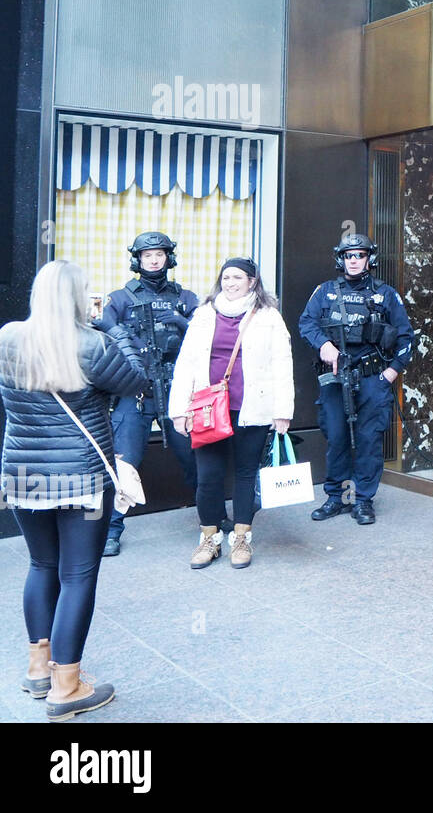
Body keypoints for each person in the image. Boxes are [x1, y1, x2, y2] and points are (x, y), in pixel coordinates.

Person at [0, 260, 147, 720]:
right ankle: (67, 688)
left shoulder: (8, 337)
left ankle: (39, 669)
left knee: (41, 563)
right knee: (78, 576)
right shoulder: (93, 342)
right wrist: (117, 328)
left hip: (23, 472)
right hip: (81, 478)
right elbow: (138, 380)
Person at [169, 258, 293, 569]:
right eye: (226, 277)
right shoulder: (204, 314)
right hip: (208, 408)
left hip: (253, 407)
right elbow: (185, 363)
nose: (230, 283)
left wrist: (282, 410)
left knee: (245, 473)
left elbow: (282, 363)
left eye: (237, 277)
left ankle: (241, 538)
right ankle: (209, 539)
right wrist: (178, 410)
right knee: (208, 476)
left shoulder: (269, 316)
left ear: (252, 281)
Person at [98, 231, 204, 557]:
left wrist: (183, 323)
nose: (154, 260)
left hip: (175, 389)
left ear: (168, 258)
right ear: (138, 260)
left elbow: (207, 336)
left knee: (195, 457)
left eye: (159, 255)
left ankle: (212, 520)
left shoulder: (185, 297)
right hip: (136, 389)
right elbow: (100, 329)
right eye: (147, 256)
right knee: (124, 461)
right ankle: (112, 529)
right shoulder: (119, 298)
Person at [299, 234, 413, 526]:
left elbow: (405, 336)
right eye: (348, 255)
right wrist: (324, 345)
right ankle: (335, 497)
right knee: (336, 437)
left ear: (369, 259)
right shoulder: (325, 292)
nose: (353, 260)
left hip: (374, 378)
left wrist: (391, 373)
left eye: (359, 255)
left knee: (368, 440)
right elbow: (306, 322)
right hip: (336, 378)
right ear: (341, 259)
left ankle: (363, 500)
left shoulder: (385, 294)